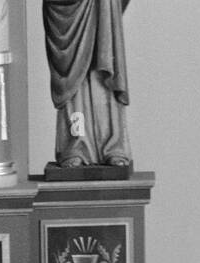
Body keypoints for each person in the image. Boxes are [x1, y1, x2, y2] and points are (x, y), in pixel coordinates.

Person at [43, 0, 133, 168]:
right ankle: (75, 146)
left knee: (103, 64)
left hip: (103, 6)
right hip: (69, 9)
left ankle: (112, 144)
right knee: (74, 75)